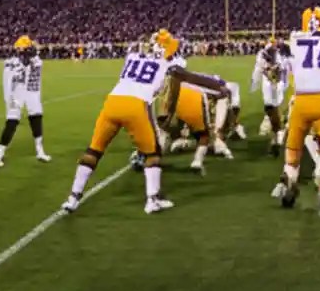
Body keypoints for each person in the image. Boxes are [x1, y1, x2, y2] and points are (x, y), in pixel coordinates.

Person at [62, 29, 228, 215]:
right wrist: (218, 86)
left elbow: (148, 53)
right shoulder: (169, 63)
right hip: (136, 106)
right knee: (153, 153)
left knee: (94, 150)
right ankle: (152, 200)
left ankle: (73, 198)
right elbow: (190, 77)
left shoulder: (132, 56)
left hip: (112, 103)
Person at [271, 7, 320, 210]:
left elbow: (283, 71)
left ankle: (289, 176)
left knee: (293, 149)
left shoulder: (294, 40)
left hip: (302, 100)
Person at [0, 35, 50, 167]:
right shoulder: (11, 63)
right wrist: (10, 99)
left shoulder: (35, 61)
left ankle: (40, 151)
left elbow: (37, 62)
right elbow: (7, 81)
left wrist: (31, 53)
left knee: (36, 118)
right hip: (16, 93)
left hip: (31, 92)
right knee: (12, 122)